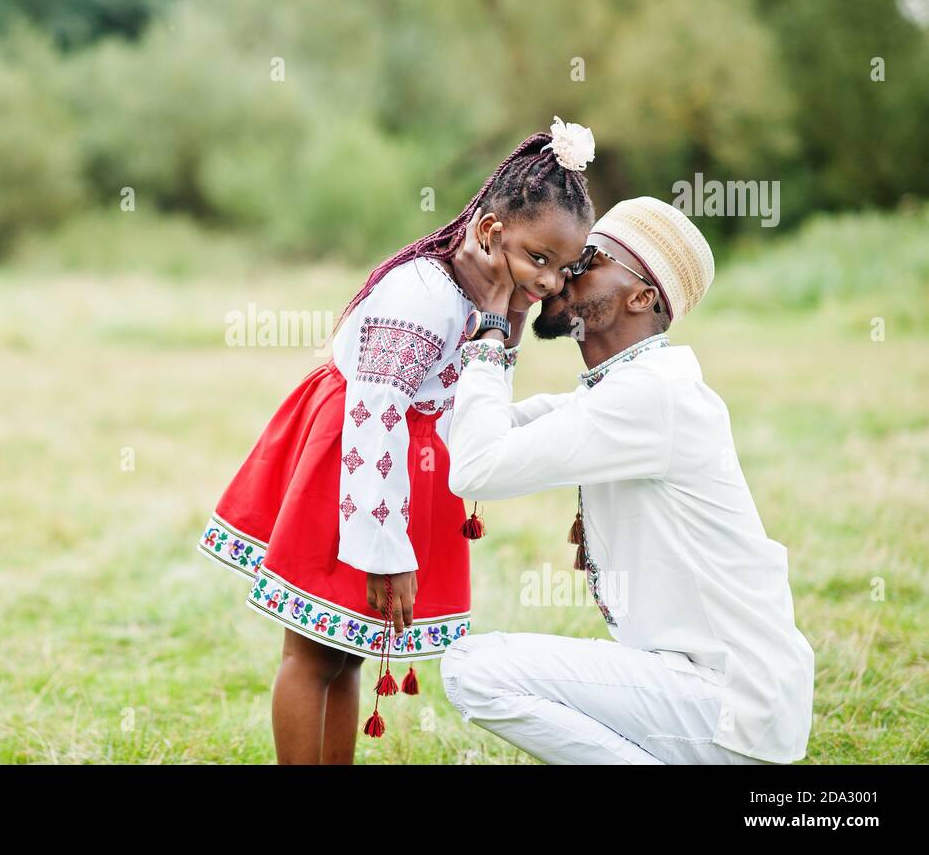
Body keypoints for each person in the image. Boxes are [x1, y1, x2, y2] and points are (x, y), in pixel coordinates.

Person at [197, 119, 599, 764]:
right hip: (354, 470)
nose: (551, 281)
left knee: (347, 650)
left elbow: (482, 386)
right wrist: (384, 549)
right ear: (491, 232)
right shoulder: (419, 296)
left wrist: (511, 313)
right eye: (539, 259)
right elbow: (374, 419)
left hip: (400, 471)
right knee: (310, 653)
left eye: (564, 268)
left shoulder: (489, 297)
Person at [442, 196, 815, 764]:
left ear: (641, 295)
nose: (564, 269)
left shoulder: (652, 395)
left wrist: (492, 324)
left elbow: (478, 468)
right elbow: (472, 433)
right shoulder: (619, 389)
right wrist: (508, 319)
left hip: (733, 705)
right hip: (706, 695)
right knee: (481, 670)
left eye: (587, 258)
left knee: (473, 670)